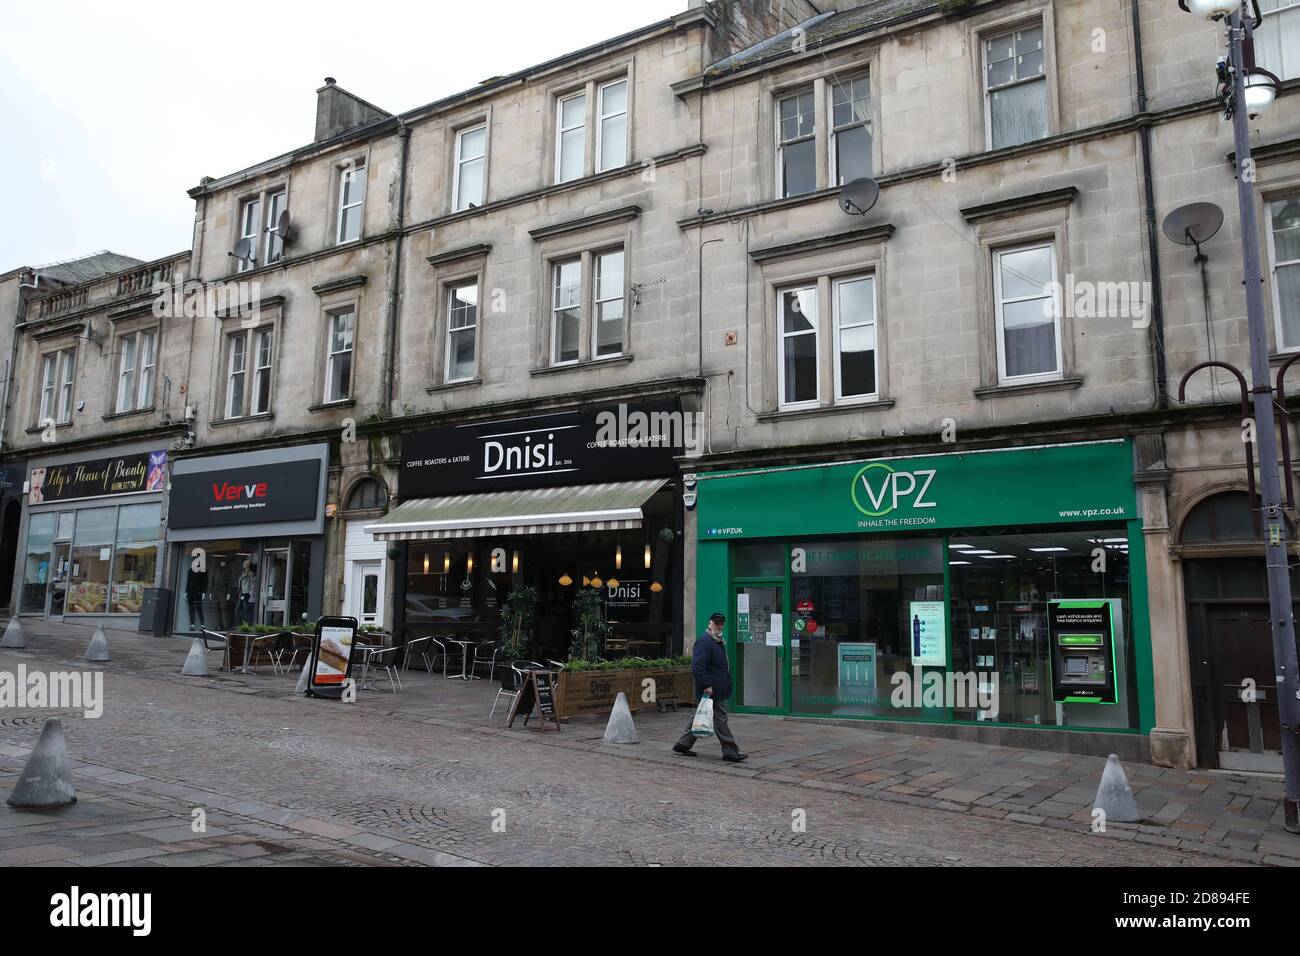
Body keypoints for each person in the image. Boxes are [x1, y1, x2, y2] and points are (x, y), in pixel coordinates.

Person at [673, 611, 747, 762]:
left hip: (716, 687)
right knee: (720, 720)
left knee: (701, 716)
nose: (719, 626)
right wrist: (706, 685)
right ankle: (730, 751)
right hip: (712, 689)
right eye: (716, 623)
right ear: (709, 623)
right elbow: (698, 666)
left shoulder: (716, 640)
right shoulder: (706, 641)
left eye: (721, 623)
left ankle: (682, 745)